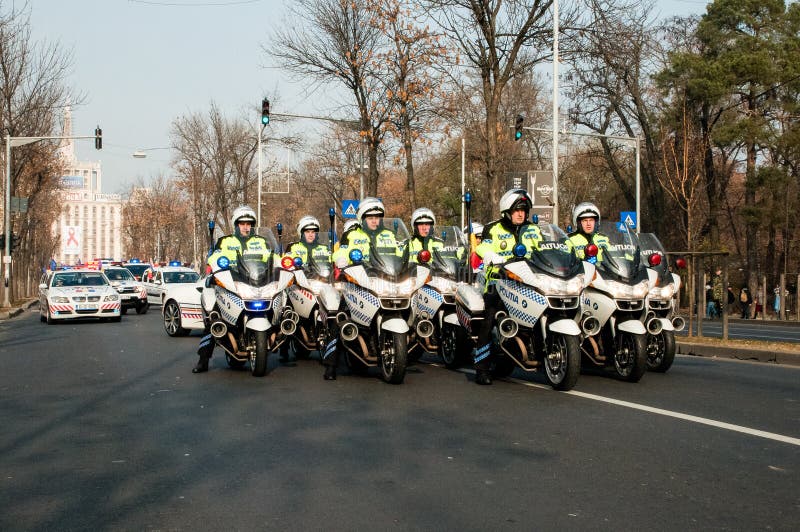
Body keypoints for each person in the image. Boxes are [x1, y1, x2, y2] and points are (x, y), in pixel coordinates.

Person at [471, 189, 543, 385]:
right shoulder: (493, 229)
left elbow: (544, 251)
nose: (521, 213)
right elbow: (483, 247)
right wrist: (492, 256)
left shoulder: (534, 230)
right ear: (506, 211)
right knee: (489, 319)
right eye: (517, 210)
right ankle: (482, 369)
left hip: (528, 284)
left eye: (524, 210)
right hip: (497, 284)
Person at [325, 197, 401, 380]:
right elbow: (341, 251)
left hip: (384, 282)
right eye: (370, 217)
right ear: (362, 218)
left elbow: (398, 255)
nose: (374, 220)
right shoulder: (352, 235)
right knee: (339, 316)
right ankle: (331, 365)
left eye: (377, 217)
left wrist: (408, 263)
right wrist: (341, 259)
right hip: (358, 284)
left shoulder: (389, 235)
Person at [193, 205, 274, 374]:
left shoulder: (260, 241)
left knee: (278, 304)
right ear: (236, 224)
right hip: (231, 285)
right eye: (242, 223)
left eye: (249, 223)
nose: (246, 227)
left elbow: (272, 258)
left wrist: (282, 263)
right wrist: (215, 262)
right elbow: (214, 257)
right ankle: (203, 360)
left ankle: (284, 346)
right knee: (213, 316)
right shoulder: (226, 241)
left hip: (255, 283)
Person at [279, 215, 332, 363]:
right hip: (299, 285)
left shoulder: (324, 249)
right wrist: (291, 267)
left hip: (320, 283)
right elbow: (286, 262)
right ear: (301, 232)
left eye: (313, 231)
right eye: (307, 231)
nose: (310, 234)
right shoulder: (294, 247)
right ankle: (284, 348)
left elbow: (332, 264)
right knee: (287, 310)